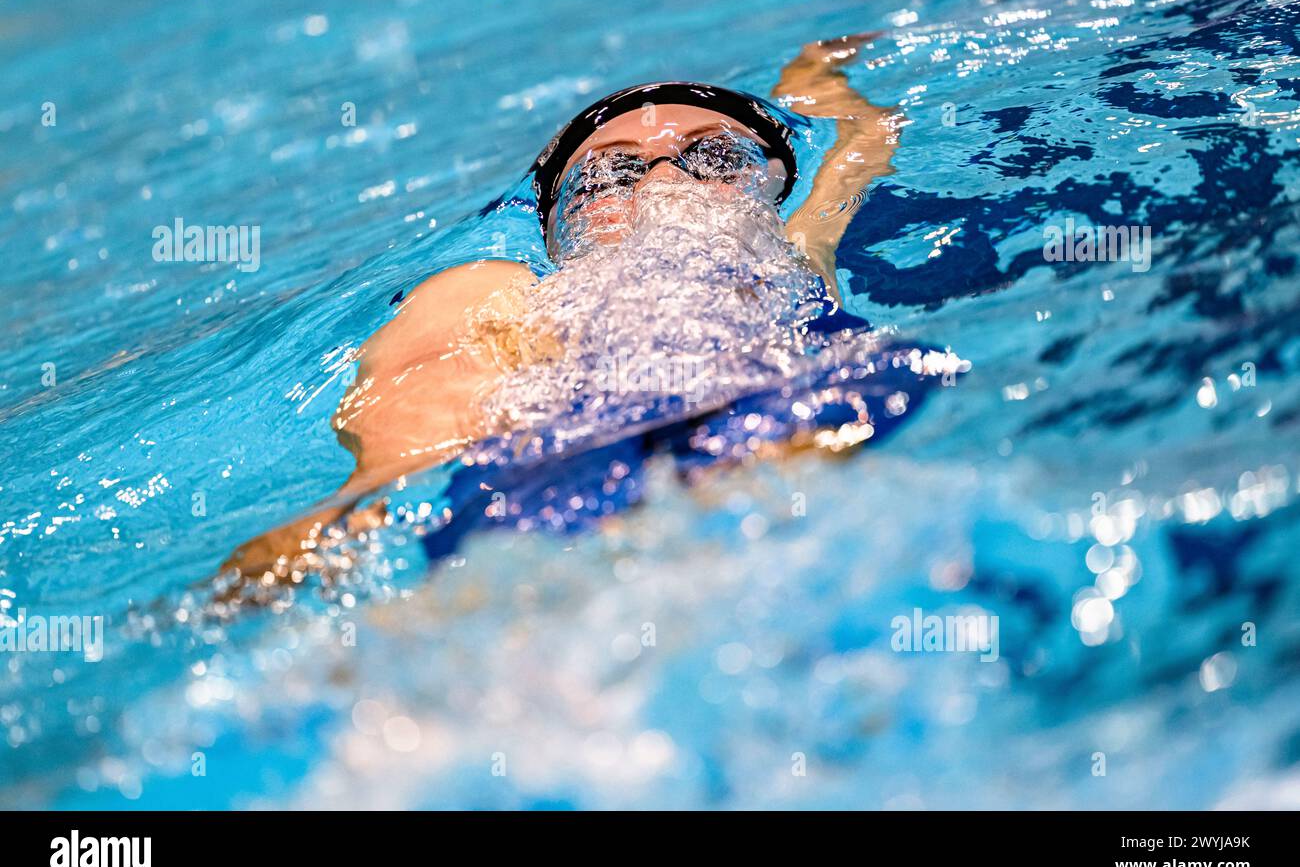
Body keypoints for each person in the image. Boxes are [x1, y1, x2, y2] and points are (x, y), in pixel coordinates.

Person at [224, 34, 900, 583]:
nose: (667, 179)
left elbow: (856, 145)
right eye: (613, 174)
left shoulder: (793, 249)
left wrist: (815, 71)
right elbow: (404, 452)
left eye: (715, 158)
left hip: (806, 421)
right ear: (556, 232)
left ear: (772, 186)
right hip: (572, 483)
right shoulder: (498, 291)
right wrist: (332, 525)